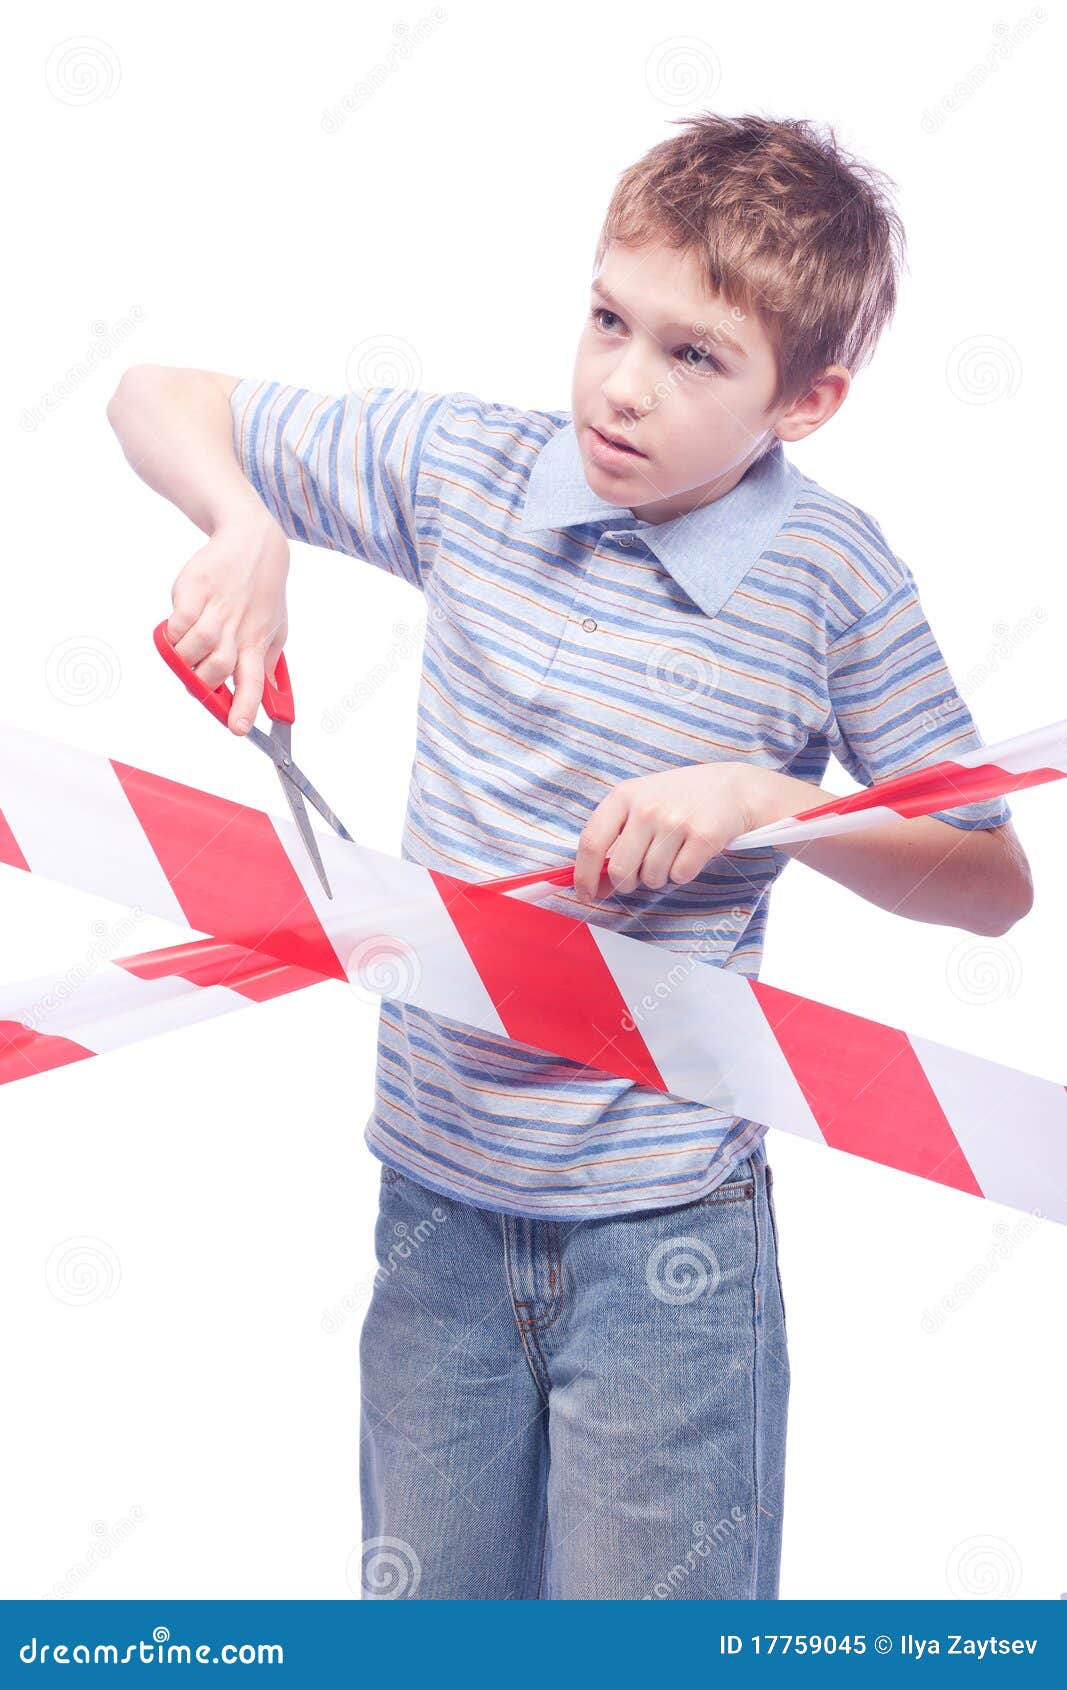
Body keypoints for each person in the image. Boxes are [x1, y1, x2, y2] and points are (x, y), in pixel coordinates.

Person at [106, 112, 1032, 1600]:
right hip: (435, 1213)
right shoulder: (471, 467)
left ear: (808, 400)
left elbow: (992, 881)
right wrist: (242, 524)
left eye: (694, 356)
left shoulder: (834, 577)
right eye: (609, 317)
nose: (619, 384)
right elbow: (155, 393)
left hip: (672, 1245)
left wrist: (766, 801)